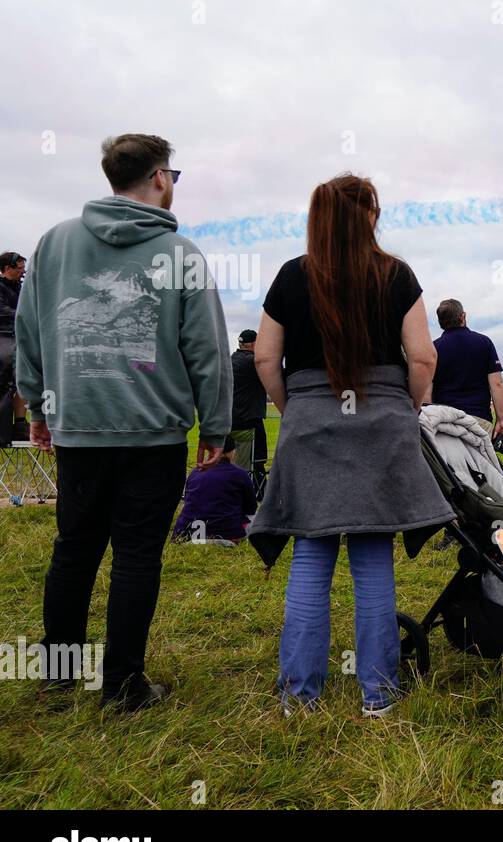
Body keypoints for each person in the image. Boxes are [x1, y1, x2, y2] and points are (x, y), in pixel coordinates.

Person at [15, 134, 231, 710]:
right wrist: (215, 427)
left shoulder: (53, 243)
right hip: (152, 431)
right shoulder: (181, 254)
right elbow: (207, 349)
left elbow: (30, 332)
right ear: (160, 178)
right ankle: (124, 685)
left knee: (74, 548)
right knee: (137, 555)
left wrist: (37, 406)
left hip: (78, 424)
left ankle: (60, 674)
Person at [249, 174, 454, 718]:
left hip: (311, 419)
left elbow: (266, 359)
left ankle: (300, 696)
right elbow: (423, 358)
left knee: (311, 555)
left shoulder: (292, 276)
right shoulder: (396, 274)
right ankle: (379, 694)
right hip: (382, 420)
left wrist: (294, 409)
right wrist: (404, 407)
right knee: (371, 561)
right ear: (371, 215)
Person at [431, 298, 503, 440]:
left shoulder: (433, 348)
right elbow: (497, 384)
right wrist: (501, 419)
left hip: (444, 419)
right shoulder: (484, 343)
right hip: (478, 419)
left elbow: (427, 389)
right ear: (463, 316)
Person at [171, 436, 257, 544]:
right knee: (256, 517)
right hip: (227, 534)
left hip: (187, 533)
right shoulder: (240, 474)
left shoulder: (195, 472)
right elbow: (251, 508)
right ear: (231, 452)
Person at [229, 329, 267, 481]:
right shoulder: (252, 362)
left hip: (232, 417)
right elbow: (273, 374)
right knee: (258, 456)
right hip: (249, 417)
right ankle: (259, 487)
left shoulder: (232, 359)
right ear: (253, 344)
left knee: (234, 457)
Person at [0, 251, 27, 442]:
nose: (22, 274)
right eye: (19, 270)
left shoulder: (20, 287)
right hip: (3, 336)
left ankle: (19, 424)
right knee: (9, 373)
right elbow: (3, 312)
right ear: (7, 269)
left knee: (23, 378)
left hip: (17, 336)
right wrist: (25, 314)